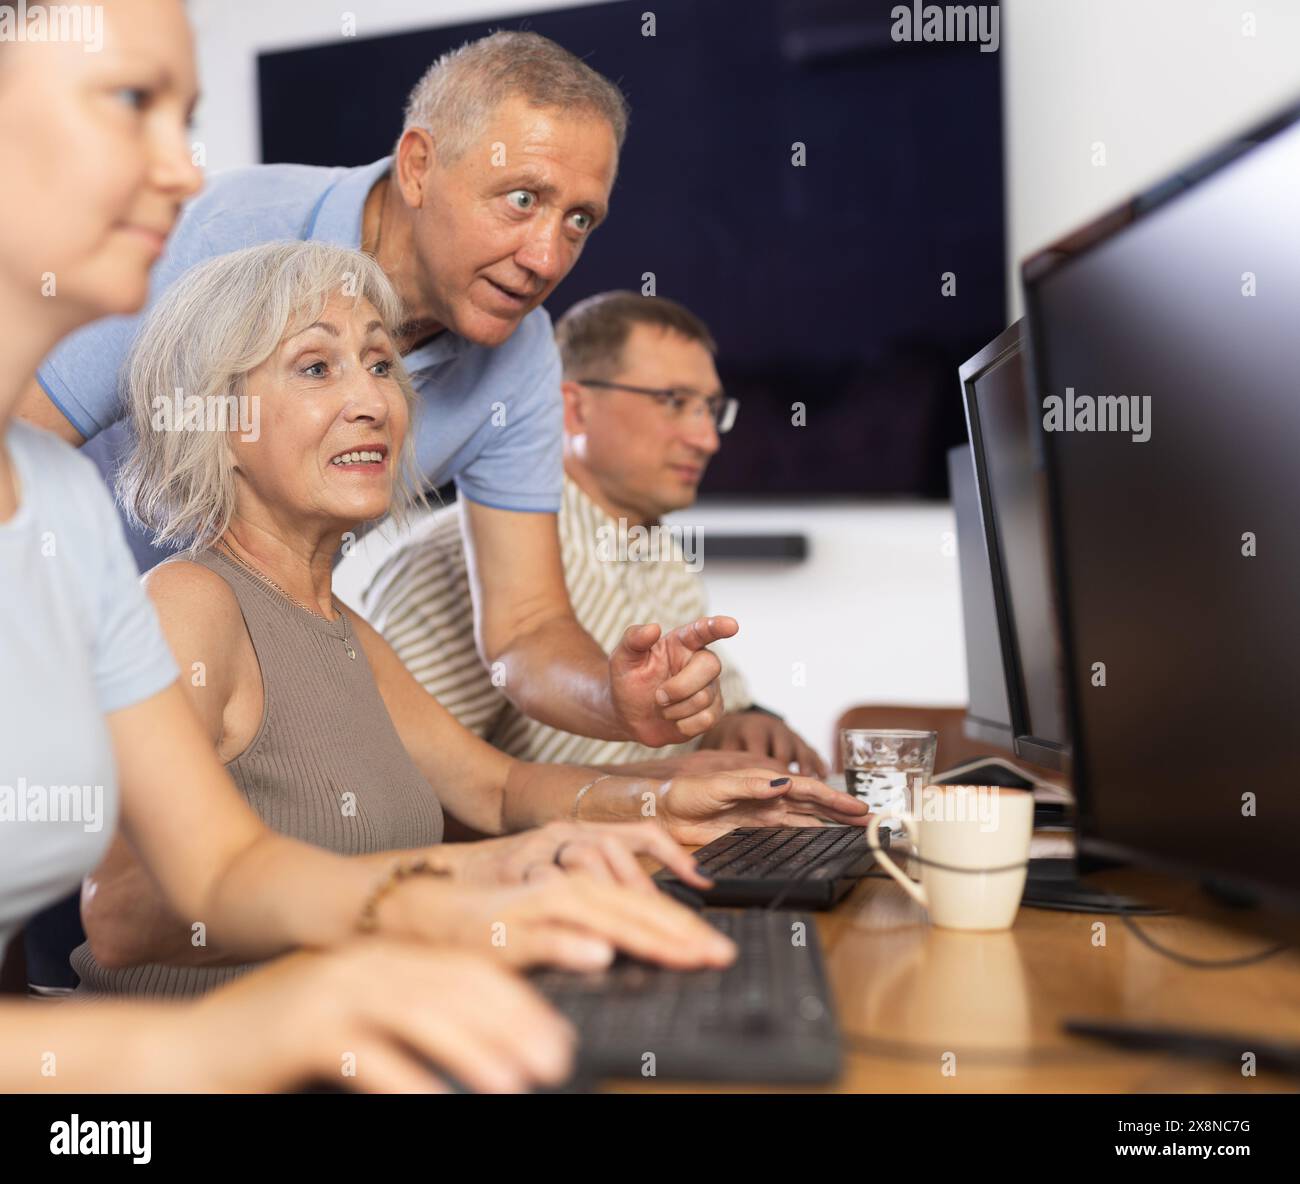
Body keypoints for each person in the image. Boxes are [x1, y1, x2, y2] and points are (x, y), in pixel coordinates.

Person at [0, 0, 577, 1093]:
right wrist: (230, 1038)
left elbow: (223, 864)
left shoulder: (69, 513)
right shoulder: (174, 588)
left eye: (189, 116)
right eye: (132, 103)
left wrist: (479, 894)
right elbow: (126, 924)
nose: (184, 176)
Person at [71, 240, 868, 997]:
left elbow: (502, 791)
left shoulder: (337, 626)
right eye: (317, 366)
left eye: (381, 364)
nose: (372, 400)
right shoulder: (190, 604)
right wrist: (464, 881)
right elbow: (122, 913)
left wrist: (670, 800)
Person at [17, 29, 734, 751]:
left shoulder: (522, 360)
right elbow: (21, 441)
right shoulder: (230, 230)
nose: (547, 257)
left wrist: (613, 699)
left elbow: (526, 628)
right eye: (522, 199)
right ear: (419, 166)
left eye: (579, 220)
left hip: (235, 680)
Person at [362, 292, 828, 777]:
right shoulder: (465, 554)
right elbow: (402, 785)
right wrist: (618, 806)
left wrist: (745, 722)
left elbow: (717, 698)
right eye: (674, 402)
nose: (707, 439)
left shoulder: (657, 546)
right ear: (574, 411)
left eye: (711, 409)